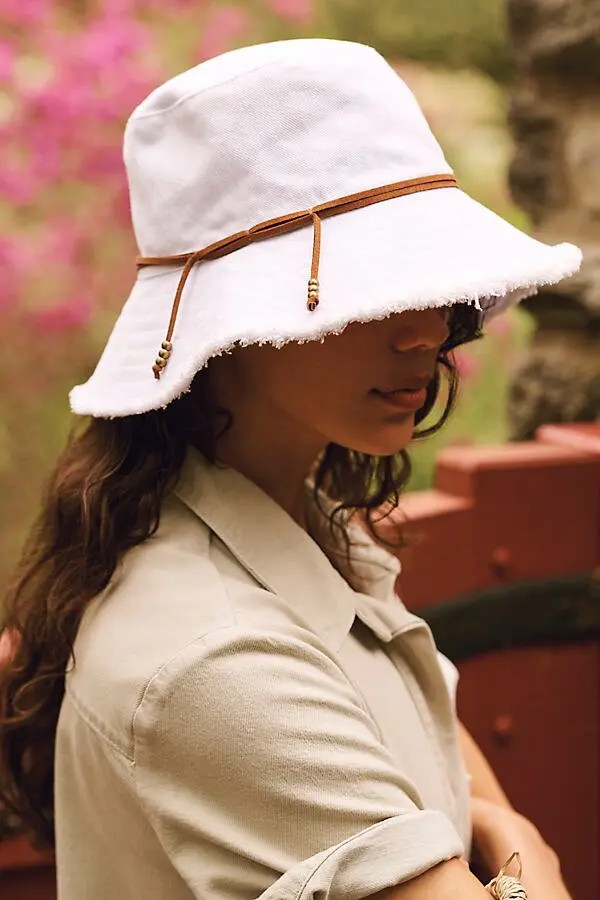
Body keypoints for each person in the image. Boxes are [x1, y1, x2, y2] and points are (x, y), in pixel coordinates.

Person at [0, 38, 580, 900]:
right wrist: (534, 866)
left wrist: (499, 826)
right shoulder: (214, 654)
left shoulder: (304, 528)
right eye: (368, 290)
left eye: (427, 278)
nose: (427, 330)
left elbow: (420, 731)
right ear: (229, 327)